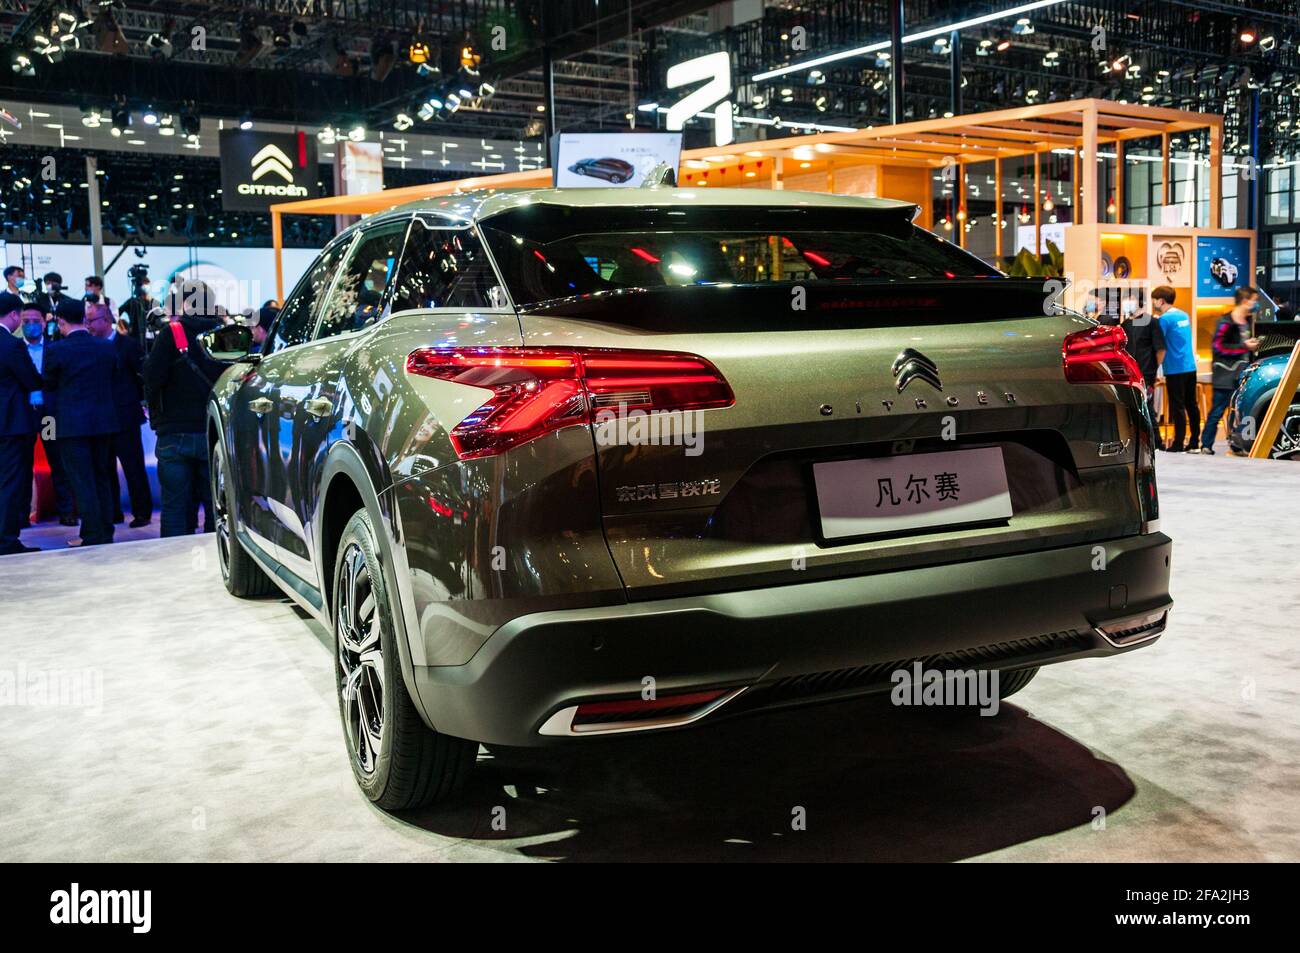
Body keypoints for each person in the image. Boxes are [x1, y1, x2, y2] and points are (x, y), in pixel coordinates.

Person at [143, 282, 225, 537]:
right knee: (217, 506)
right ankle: (217, 560)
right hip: (213, 432)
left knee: (175, 506)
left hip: (174, 433)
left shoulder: (171, 333)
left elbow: (152, 379)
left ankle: (175, 562)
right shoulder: (224, 333)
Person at [42, 298, 119, 546]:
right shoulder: (106, 347)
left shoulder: (55, 350)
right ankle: (105, 531)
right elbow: (114, 379)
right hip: (104, 423)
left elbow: (49, 388)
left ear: (61, 321)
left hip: (71, 427)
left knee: (82, 481)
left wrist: (49, 427)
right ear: (85, 319)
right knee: (102, 477)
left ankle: (92, 534)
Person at [87, 301, 152, 526]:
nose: (88, 325)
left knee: (133, 467)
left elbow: (141, 377)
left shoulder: (128, 345)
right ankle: (112, 511)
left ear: (106, 320)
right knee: (104, 469)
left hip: (125, 417)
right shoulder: (90, 346)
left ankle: (142, 512)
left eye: (91, 321)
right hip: (100, 419)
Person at [18, 302, 77, 527]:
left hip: (49, 416)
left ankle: (67, 511)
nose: (31, 325)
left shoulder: (55, 348)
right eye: (26, 322)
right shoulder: (15, 349)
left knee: (57, 461)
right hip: (24, 415)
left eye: (35, 321)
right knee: (22, 465)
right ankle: (21, 514)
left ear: (44, 322)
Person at [0, 292, 44, 554]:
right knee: (11, 482)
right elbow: (31, 379)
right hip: (11, 425)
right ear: (15, 314)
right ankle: (6, 540)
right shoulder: (11, 345)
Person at [1200, 287, 1261, 455]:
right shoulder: (1225, 322)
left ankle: (1236, 445)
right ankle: (1206, 444)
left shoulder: (1247, 321)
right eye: (1253, 300)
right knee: (1218, 410)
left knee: (1237, 411)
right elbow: (1218, 347)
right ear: (1244, 300)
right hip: (1225, 374)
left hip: (1242, 374)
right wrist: (1244, 346)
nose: (1255, 304)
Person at [1152, 285, 1200, 453]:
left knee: (1178, 406)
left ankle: (1178, 443)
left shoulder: (1164, 320)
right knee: (1191, 404)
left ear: (1161, 300)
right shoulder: (1183, 315)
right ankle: (1194, 441)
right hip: (1190, 366)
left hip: (1175, 368)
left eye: (1154, 300)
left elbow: (1157, 341)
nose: (1153, 303)